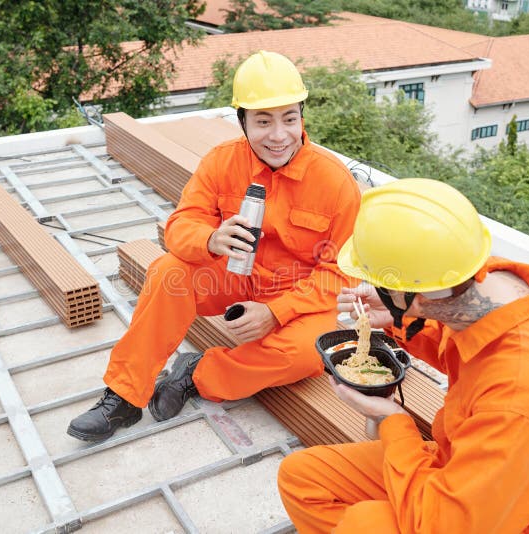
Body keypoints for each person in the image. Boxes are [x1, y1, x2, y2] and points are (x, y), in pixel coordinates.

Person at [277, 178, 529, 532]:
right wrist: (398, 316)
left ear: (411, 289)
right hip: (471, 462)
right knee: (302, 477)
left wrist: (392, 418)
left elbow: (442, 526)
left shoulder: (517, 397)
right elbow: (458, 336)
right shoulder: (491, 285)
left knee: (363, 524)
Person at [67, 50, 361, 442]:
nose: (278, 135)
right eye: (263, 121)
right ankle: (124, 394)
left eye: (289, 118)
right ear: (242, 122)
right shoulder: (221, 163)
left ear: (301, 116)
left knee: (307, 355)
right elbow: (179, 226)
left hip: (296, 294)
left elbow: (338, 274)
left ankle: (195, 375)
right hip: (233, 279)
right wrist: (210, 238)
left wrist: (276, 312)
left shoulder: (336, 183)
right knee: (168, 271)